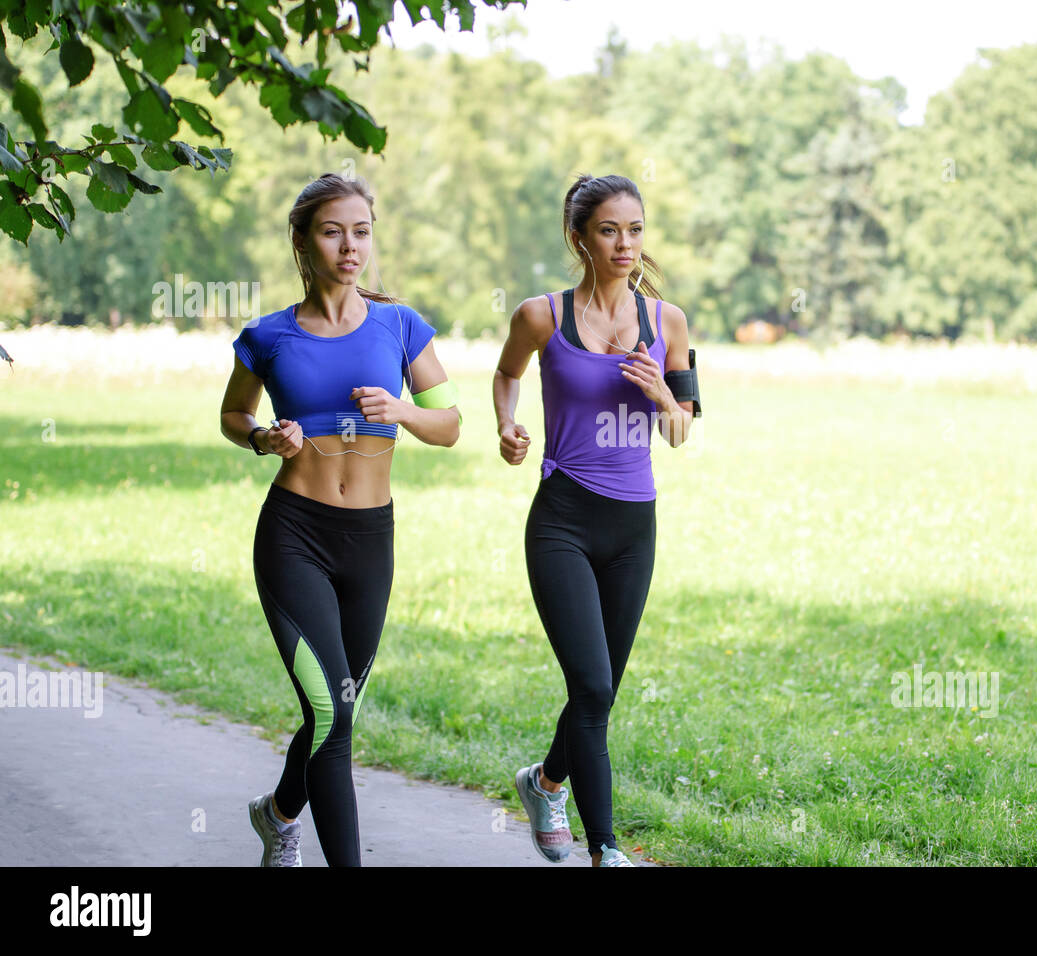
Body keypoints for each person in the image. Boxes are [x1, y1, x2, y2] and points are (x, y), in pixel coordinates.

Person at [218, 173, 461, 866]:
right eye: (333, 231)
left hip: (370, 542)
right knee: (331, 713)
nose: (350, 246)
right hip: (295, 534)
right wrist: (264, 437)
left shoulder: (401, 326)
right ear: (302, 241)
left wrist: (404, 411)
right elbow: (234, 416)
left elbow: (448, 424)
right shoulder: (267, 336)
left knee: (339, 709)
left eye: (361, 231)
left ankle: (277, 813)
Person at [493, 174, 702, 867]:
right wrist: (508, 426)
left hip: (632, 527)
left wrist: (661, 398)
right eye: (610, 230)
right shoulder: (541, 316)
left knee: (601, 687)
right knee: (591, 686)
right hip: (562, 520)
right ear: (580, 238)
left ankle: (544, 782)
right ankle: (606, 848)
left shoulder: (666, 321)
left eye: (636, 229)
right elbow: (507, 374)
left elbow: (683, 431)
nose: (626, 243)